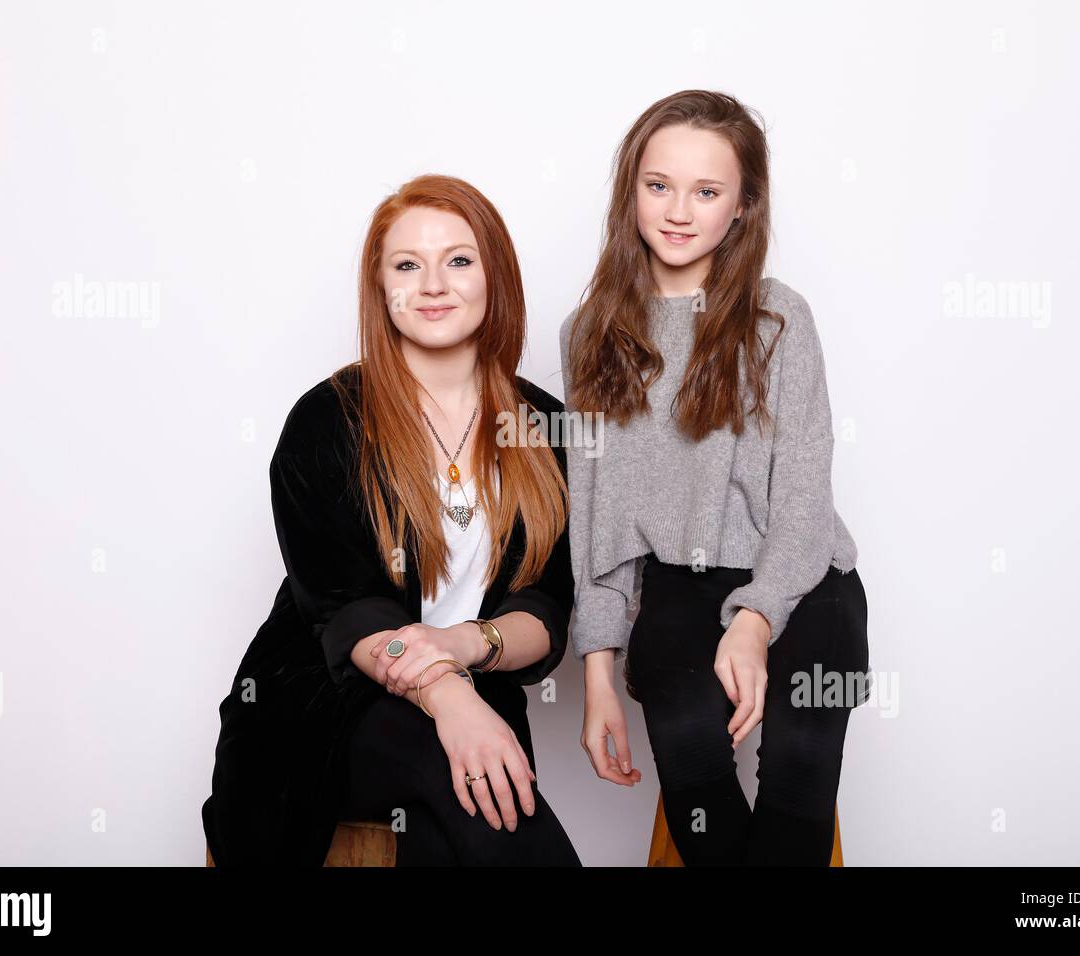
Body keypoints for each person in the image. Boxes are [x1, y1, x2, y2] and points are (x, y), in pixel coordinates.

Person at [203, 173, 581, 866]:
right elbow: (350, 613)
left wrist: (466, 649)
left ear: (496, 275)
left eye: (459, 260)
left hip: (473, 698)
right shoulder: (328, 421)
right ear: (382, 290)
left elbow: (547, 610)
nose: (434, 283)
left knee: (455, 826)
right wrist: (449, 699)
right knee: (488, 814)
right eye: (408, 265)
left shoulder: (548, 428)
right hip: (328, 712)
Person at [560, 90, 872, 866]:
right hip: (677, 589)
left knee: (800, 759)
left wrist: (757, 619)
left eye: (707, 191)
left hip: (800, 577)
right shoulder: (590, 332)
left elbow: (804, 495)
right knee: (693, 754)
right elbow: (593, 517)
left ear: (742, 207)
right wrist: (598, 669)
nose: (678, 211)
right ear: (629, 189)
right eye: (658, 185)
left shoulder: (778, 320)